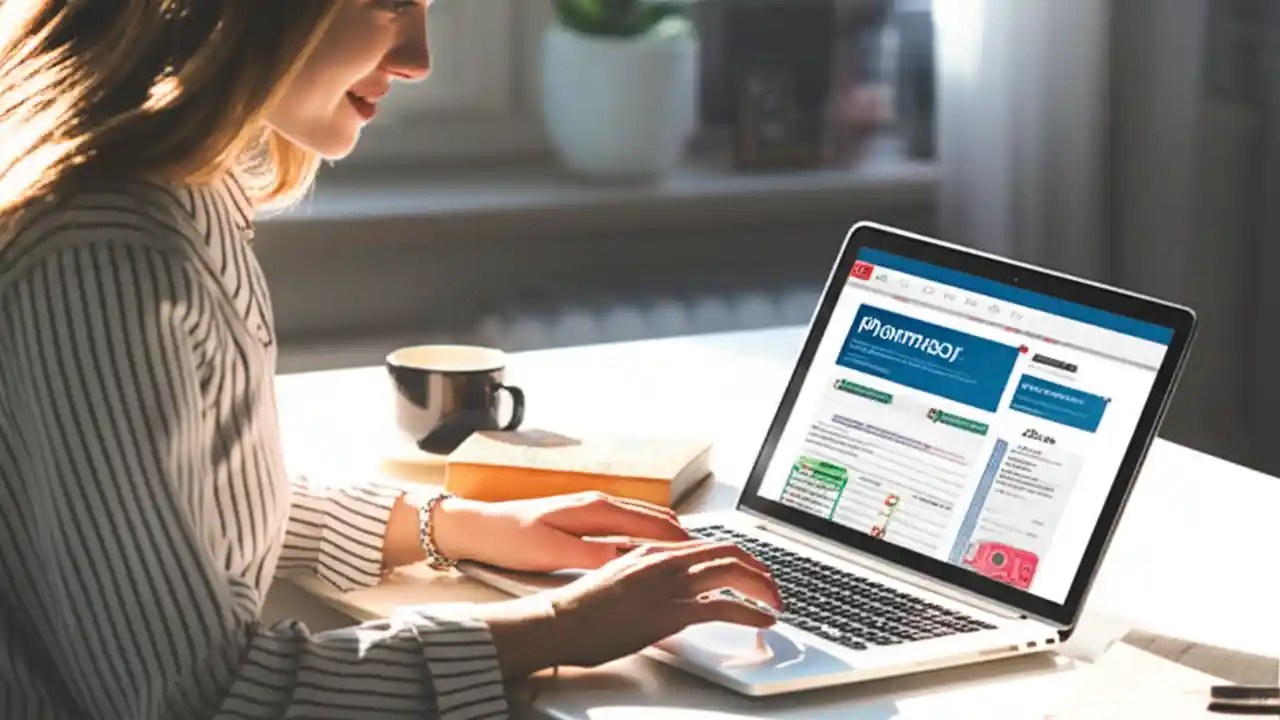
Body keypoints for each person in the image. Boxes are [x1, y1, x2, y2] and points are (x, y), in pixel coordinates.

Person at [0, 2, 782, 718]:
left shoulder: (183, 193)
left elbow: (172, 509)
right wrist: (558, 624)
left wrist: (449, 525)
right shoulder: (112, 255)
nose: (419, 60)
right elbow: (199, 700)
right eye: (390, 5)